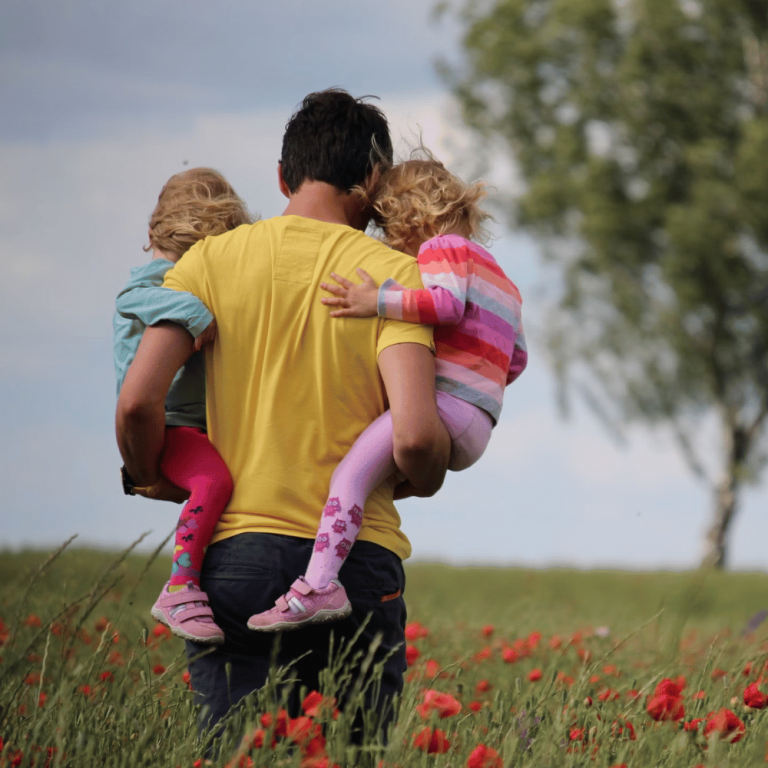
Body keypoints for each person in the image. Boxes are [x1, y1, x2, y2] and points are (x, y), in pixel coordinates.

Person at [115, 89, 451, 736]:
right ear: (374, 181)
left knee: (243, 751)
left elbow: (136, 400)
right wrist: (427, 474)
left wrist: (152, 472)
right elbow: (413, 436)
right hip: (356, 563)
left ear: (281, 175)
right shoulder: (394, 278)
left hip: (234, 556)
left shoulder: (207, 262)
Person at [248, 153, 528, 632]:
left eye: (388, 226)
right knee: (372, 479)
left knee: (349, 477)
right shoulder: (503, 279)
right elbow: (516, 359)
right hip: (479, 422)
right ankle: (336, 557)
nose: (389, 241)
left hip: (445, 408)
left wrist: (374, 301)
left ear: (411, 216)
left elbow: (443, 304)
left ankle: (318, 585)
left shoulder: (442, 249)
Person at [114, 167, 252, 644]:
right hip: (170, 424)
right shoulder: (158, 280)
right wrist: (192, 311)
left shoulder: (180, 274)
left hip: (192, 425)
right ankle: (181, 586)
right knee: (214, 481)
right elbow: (132, 297)